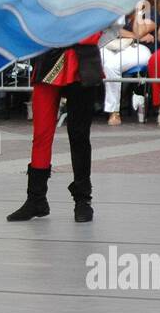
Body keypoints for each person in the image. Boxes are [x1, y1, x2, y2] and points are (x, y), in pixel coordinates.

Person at [7, 36, 103, 223]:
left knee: (79, 134)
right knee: (41, 133)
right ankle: (36, 199)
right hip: (49, 58)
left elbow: (108, 21)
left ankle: (83, 200)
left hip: (82, 60)